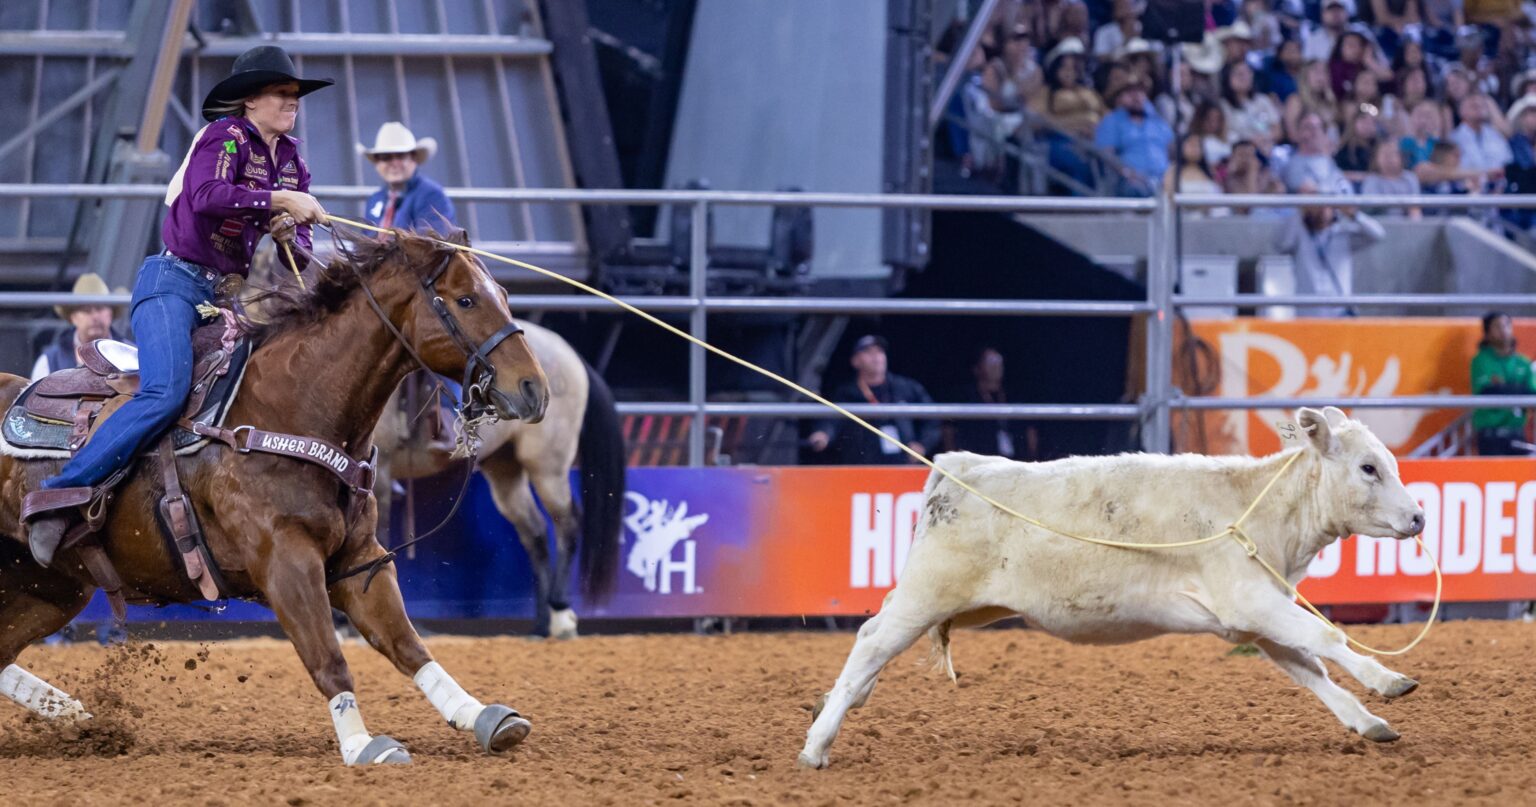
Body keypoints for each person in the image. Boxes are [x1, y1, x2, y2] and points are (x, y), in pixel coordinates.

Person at [19, 45, 331, 568]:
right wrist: (278, 202)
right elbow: (205, 193)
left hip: (224, 297)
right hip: (173, 283)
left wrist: (285, 234)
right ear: (250, 100)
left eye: (294, 92)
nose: (292, 100)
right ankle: (57, 496)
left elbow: (296, 248)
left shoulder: (293, 160)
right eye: (281, 91)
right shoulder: (224, 136)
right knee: (165, 392)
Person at [807, 335, 940, 465]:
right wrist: (823, 434)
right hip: (862, 466)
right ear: (855, 361)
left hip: (901, 464)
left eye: (879, 352)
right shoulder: (846, 392)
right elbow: (831, 419)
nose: (876, 357)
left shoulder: (905, 387)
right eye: (868, 352)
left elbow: (932, 418)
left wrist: (922, 444)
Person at [1271, 191, 1386, 317]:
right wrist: (1301, 211)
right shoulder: (1300, 235)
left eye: (1327, 206)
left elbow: (1378, 234)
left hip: (1338, 312)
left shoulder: (1343, 235)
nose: (1322, 210)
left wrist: (1353, 214)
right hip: (1308, 312)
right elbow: (1281, 245)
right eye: (1318, 205)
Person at [358, 121, 454, 231]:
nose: (394, 164)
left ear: (414, 159)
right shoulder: (375, 199)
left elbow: (431, 243)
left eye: (401, 156)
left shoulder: (431, 195)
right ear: (377, 164)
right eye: (385, 157)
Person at [944, 346, 1033, 459]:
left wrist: (1032, 456)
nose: (996, 367)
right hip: (978, 459)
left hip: (1013, 459)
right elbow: (949, 431)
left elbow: (1030, 431)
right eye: (991, 362)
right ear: (977, 368)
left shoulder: (1013, 396)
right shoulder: (965, 398)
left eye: (999, 362)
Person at [31, 274, 122, 380]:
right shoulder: (49, 361)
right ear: (73, 317)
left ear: (111, 313)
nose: (95, 316)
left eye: (100, 308)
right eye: (86, 310)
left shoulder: (133, 356)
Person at [1095, 74, 1174, 194]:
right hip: (1130, 181)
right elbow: (1107, 155)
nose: (1136, 96)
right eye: (1130, 92)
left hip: (1164, 180)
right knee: (1136, 189)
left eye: (1140, 92)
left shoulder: (1157, 121)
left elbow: (1172, 151)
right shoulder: (1112, 121)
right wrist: (1126, 173)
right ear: (1119, 97)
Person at [1471, 311, 1536, 455]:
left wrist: (1505, 389)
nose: (1503, 330)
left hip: (1517, 434)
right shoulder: (1480, 361)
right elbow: (1487, 391)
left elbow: (1532, 394)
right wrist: (1519, 391)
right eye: (1497, 326)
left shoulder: (1523, 363)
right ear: (1487, 333)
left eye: (1507, 325)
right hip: (1490, 436)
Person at [1281, 109, 1352, 192]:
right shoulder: (1294, 164)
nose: (1315, 132)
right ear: (1299, 133)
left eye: (1319, 127)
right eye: (1309, 127)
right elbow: (1309, 196)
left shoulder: (1329, 162)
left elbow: (1346, 190)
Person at [1361, 138, 1423, 217]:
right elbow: (1370, 209)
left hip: (1406, 225)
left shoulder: (1410, 178)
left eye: (1392, 154)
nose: (1388, 158)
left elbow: (1415, 208)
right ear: (1376, 158)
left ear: (1401, 157)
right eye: (1384, 154)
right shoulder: (1371, 180)